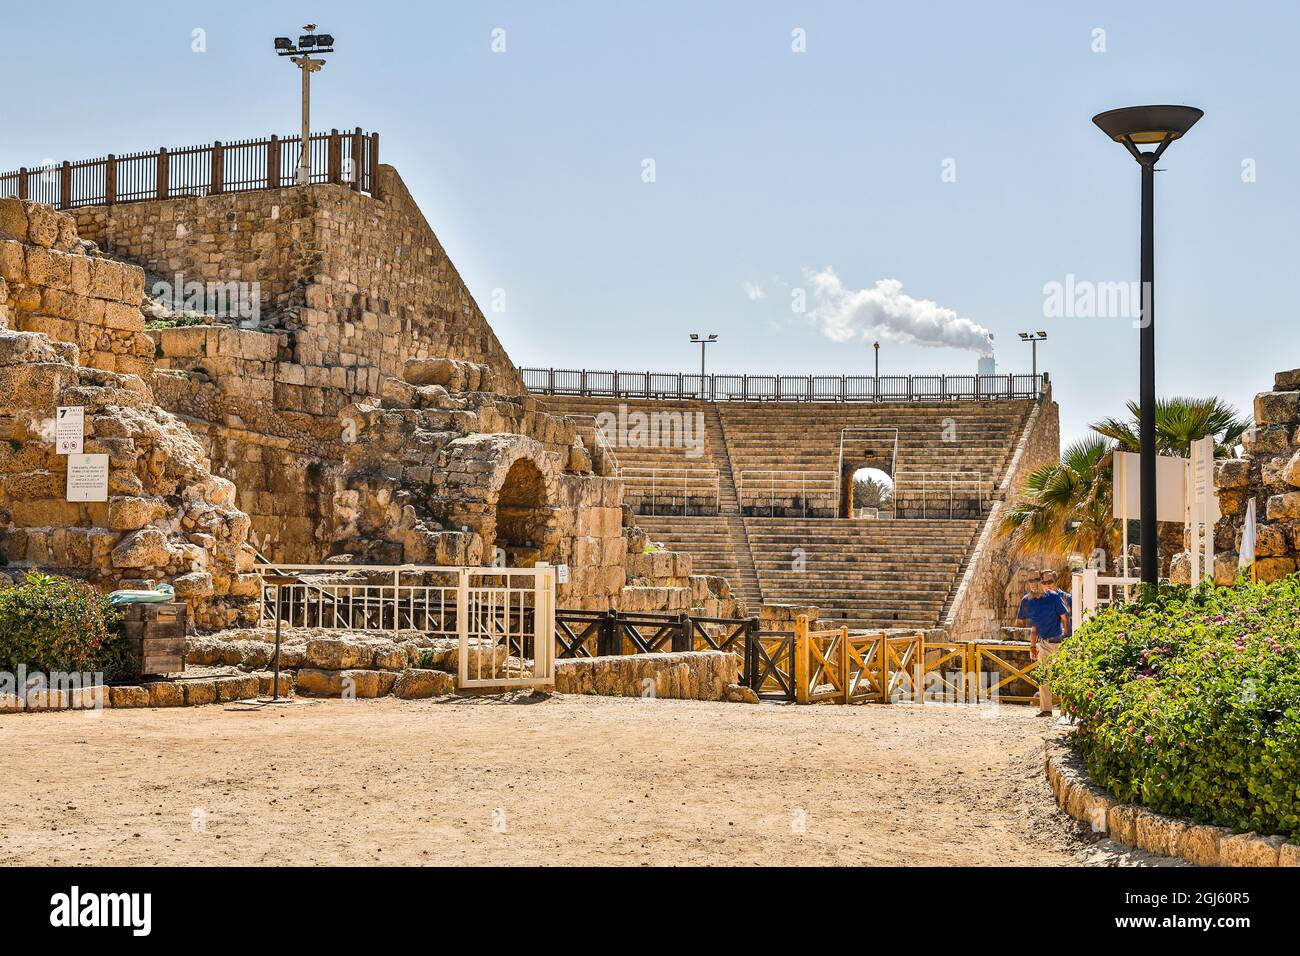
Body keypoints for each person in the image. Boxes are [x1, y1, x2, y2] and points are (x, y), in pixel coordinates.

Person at [1014, 570, 1068, 716]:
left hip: (1060, 643)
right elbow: (1034, 626)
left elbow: (1064, 618)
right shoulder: (1030, 601)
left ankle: (1066, 710)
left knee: (1063, 676)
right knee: (1044, 676)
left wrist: (1066, 637)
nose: (1034, 583)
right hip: (1044, 643)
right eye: (1030, 580)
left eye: (1037, 579)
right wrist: (1032, 646)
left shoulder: (1055, 597)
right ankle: (1046, 709)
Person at [1042, 568, 1072, 637]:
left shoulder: (1067, 598)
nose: (1047, 585)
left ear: (1056, 582)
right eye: (1044, 582)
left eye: (1050, 582)